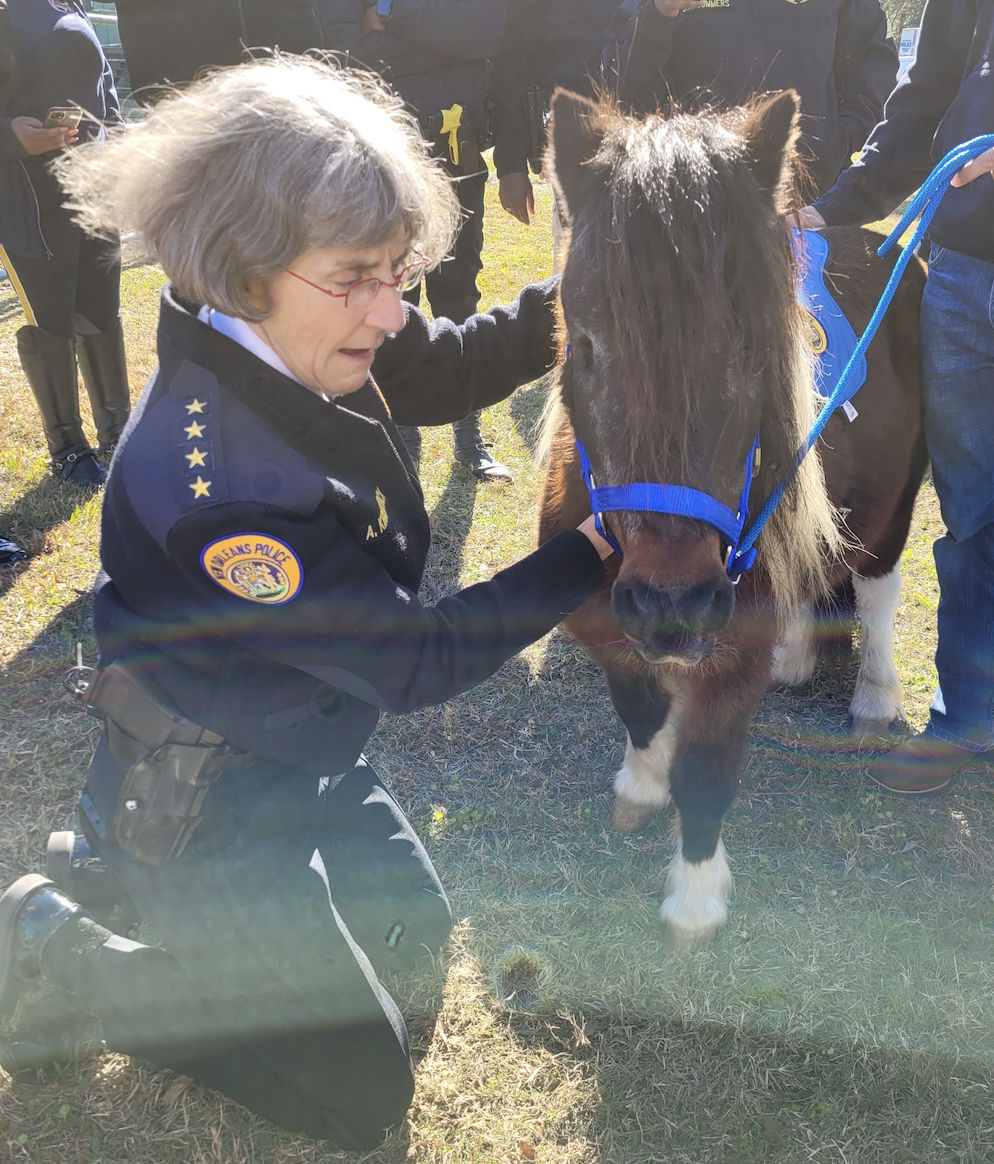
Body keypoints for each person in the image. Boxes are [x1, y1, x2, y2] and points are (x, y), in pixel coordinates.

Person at [0, 58, 612, 1147]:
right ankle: (59, 941)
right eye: (359, 278)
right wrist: (588, 553)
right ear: (242, 272)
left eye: (399, 272)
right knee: (360, 1098)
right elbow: (406, 661)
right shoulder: (223, 490)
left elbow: (447, 363)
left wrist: (595, 284)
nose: (392, 307)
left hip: (299, 743)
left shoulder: (314, 320)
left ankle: (112, 873)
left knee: (415, 941)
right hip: (210, 803)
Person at [797, 0, 994, 795]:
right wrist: (829, 208)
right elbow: (926, 97)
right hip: (960, 274)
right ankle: (966, 716)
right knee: (972, 510)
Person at [322, 0, 514, 481]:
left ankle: (468, 436)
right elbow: (347, 51)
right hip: (380, 171)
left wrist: (391, 15)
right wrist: (453, 48)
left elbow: (488, 34)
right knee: (387, 298)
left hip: (459, 162)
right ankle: (397, 437)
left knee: (459, 294)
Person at [0, 0, 130, 486]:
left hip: (93, 190)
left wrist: (117, 141)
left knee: (100, 308)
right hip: (28, 200)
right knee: (50, 319)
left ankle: (118, 436)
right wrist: (9, 136)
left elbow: (104, 88)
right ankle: (70, 452)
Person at [604, 0, 898, 199]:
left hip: (816, 200)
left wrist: (845, 136)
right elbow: (619, 90)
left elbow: (873, 57)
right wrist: (660, 14)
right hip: (703, 206)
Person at [490, 0, 622, 231]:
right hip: (576, 147)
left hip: (651, 137)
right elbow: (513, 58)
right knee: (582, 253)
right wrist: (511, 164)